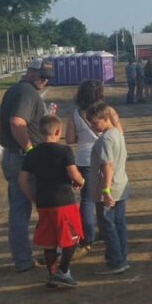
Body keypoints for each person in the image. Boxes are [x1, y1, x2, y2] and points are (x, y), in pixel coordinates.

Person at [0, 58, 55, 272]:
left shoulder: (17, 88)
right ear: (30, 71)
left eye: (48, 77)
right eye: (41, 75)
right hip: (23, 158)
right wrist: (31, 150)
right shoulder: (26, 92)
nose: (45, 80)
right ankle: (25, 259)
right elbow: (17, 122)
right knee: (30, 208)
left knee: (20, 208)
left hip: (15, 156)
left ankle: (23, 258)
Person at [19, 115, 86, 288]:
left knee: (49, 241)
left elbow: (22, 180)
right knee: (72, 238)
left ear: (40, 132)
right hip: (63, 201)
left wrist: (33, 197)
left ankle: (52, 275)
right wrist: (81, 181)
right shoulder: (64, 151)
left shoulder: (32, 153)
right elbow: (73, 173)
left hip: (43, 202)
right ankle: (63, 272)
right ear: (58, 131)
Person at [64, 79, 123, 255]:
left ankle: (87, 238)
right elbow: (119, 132)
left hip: (84, 159)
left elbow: (69, 139)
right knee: (108, 196)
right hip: (106, 158)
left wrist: (83, 138)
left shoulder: (75, 114)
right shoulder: (108, 111)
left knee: (88, 199)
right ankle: (108, 231)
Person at [88, 101, 131, 274]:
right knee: (119, 223)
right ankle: (121, 256)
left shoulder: (105, 139)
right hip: (120, 184)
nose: (93, 126)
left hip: (109, 187)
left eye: (95, 122)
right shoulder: (117, 133)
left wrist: (105, 191)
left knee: (107, 225)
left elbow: (107, 165)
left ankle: (116, 261)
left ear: (105, 119)